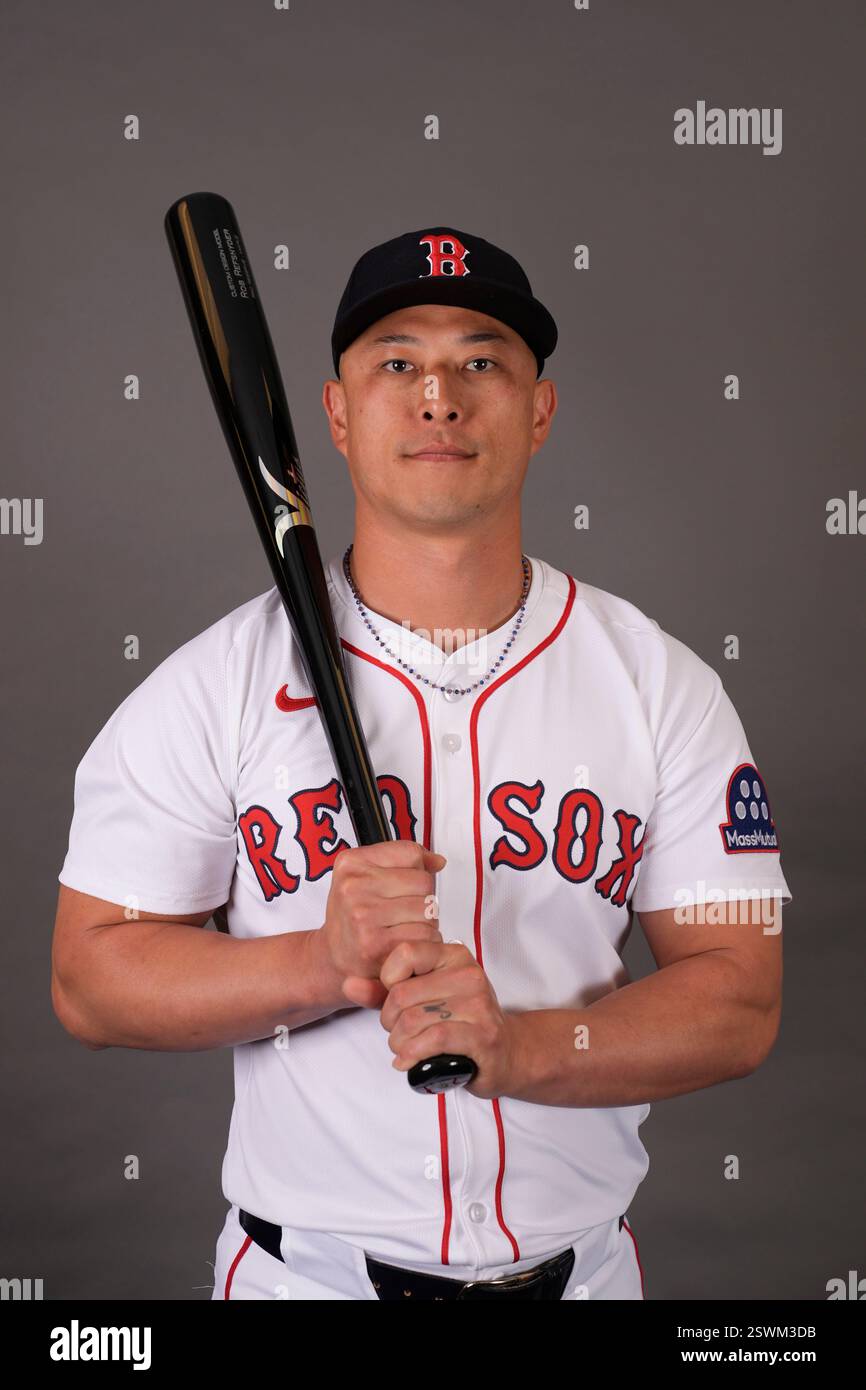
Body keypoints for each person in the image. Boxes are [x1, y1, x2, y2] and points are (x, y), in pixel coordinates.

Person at [52, 225, 791, 1300]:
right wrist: (320, 963)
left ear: (538, 410)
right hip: (305, 1284)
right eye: (396, 361)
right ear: (339, 417)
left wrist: (524, 1048)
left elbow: (738, 1000)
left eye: (480, 359)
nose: (438, 394)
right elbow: (89, 977)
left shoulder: (658, 682)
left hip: (579, 1279)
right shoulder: (214, 682)